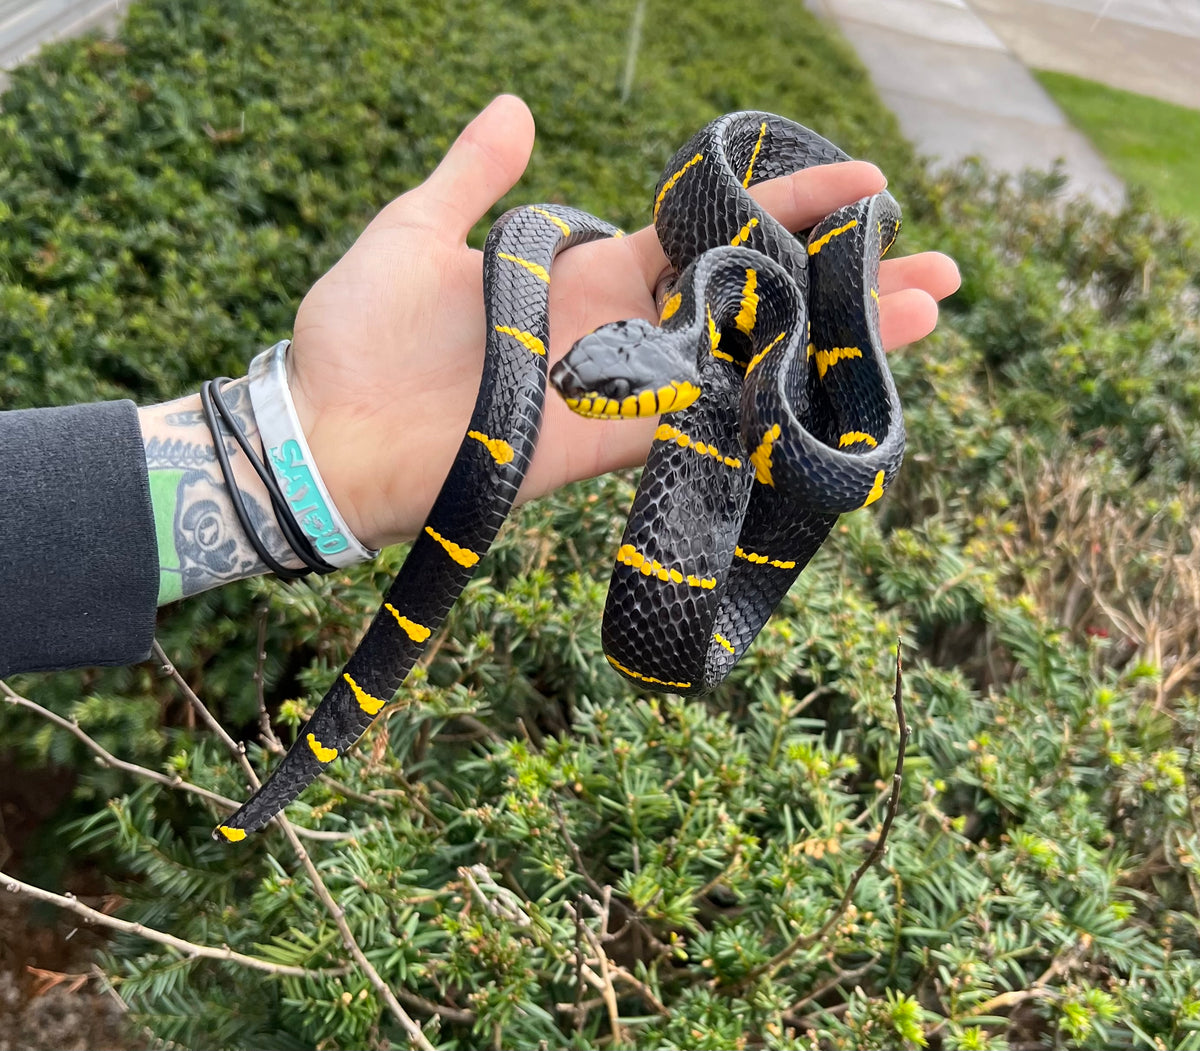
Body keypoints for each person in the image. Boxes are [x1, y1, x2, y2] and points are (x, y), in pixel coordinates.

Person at [0, 95, 961, 677]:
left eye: (610, 395)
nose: (580, 395)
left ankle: (857, 226)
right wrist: (311, 435)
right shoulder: (721, 305)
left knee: (858, 226)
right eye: (594, 380)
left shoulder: (747, 334)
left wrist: (289, 447)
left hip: (752, 347)